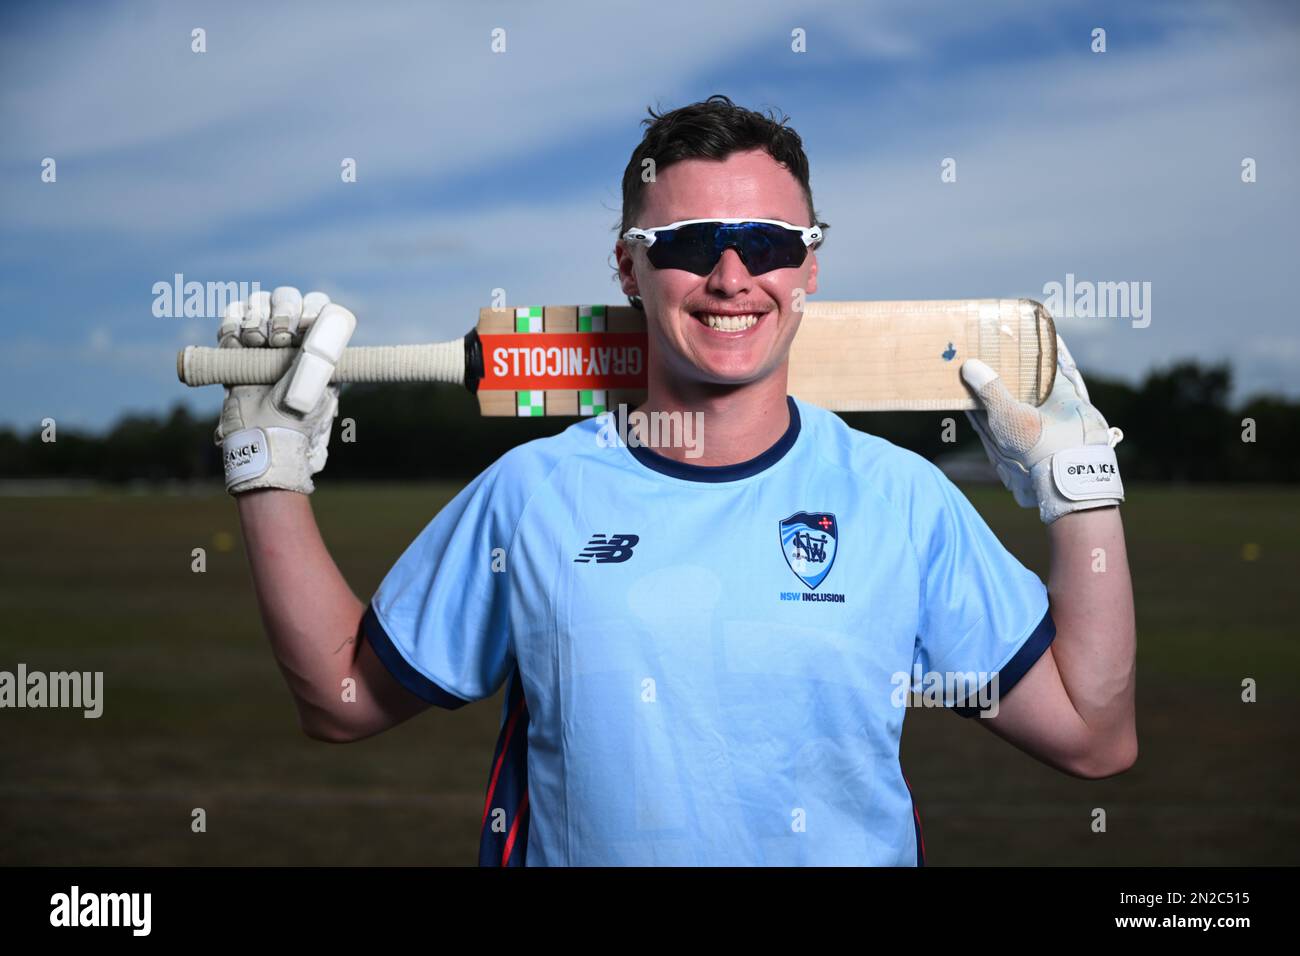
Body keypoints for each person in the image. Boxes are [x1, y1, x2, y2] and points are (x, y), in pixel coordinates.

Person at [211, 95, 1136, 866]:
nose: (733, 276)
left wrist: (1080, 487)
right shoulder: (533, 493)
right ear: (629, 265)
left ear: (809, 265)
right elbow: (343, 703)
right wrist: (269, 473)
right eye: (691, 241)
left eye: (769, 242)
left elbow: (1093, 739)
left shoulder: (902, 499)